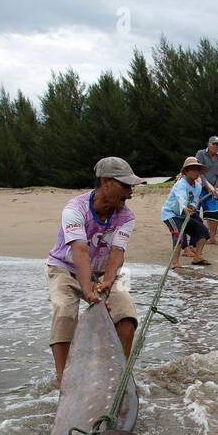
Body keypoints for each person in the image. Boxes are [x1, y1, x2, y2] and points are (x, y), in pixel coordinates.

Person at [45, 156, 145, 386]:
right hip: (64, 267)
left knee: (126, 315)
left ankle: (120, 376)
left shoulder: (126, 216)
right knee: (64, 311)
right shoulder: (75, 209)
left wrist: (107, 282)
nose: (131, 192)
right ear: (106, 182)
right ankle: (63, 380)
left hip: (102, 272)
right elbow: (79, 250)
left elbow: (117, 253)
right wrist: (88, 290)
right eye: (126, 185)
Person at [161, 156, 212, 268]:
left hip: (184, 214)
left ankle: (197, 257)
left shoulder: (198, 186)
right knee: (179, 234)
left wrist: (192, 207)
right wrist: (185, 207)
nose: (195, 172)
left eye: (197, 169)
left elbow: (194, 200)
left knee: (203, 231)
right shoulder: (180, 184)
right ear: (186, 171)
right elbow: (181, 197)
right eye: (192, 169)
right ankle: (175, 263)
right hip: (170, 214)